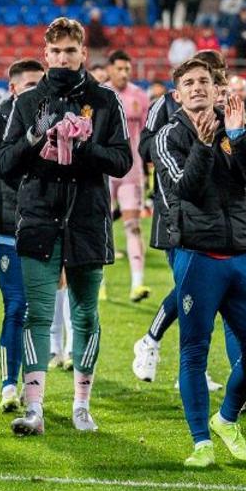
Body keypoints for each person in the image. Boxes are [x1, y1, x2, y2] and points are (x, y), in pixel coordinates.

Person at [0, 17, 132, 435]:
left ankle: (81, 405)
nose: (61, 58)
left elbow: (123, 162)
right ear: (45, 54)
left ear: (83, 55)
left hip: (87, 219)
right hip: (38, 218)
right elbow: (4, 164)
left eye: (69, 51)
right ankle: (34, 408)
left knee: (86, 315)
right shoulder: (27, 103)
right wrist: (37, 137)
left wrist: (85, 146)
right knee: (36, 314)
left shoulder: (106, 100)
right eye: (54, 52)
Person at [157, 56, 246, 468]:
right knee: (194, 352)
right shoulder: (168, 137)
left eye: (203, 81)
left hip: (241, 255)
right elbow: (185, 189)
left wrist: (239, 137)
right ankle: (201, 442)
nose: (196, 88)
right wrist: (205, 147)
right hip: (197, 255)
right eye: (188, 83)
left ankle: (227, 418)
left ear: (214, 87)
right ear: (178, 94)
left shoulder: (240, 126)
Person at [0, 58, 46, 412]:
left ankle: (35, 391)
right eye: (28, 84)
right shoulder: (0, 117)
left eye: (39, 83)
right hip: (9, 232)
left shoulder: (53, 121)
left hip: (46, 230)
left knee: (40, 314)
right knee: (16, 307)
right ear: (13, 87)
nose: (35, 90)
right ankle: (7, 386)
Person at [106, 50, 152, 302]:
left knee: (133, 227)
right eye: (120, 69)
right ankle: (98, 283)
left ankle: (137, 284)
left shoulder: (139, 97)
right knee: (100, 228)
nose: (124, 73)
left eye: (127, 69)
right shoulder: (99, 95)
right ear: (110, 69)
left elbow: (146, 136)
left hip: (131, 173)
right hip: (103, 173)